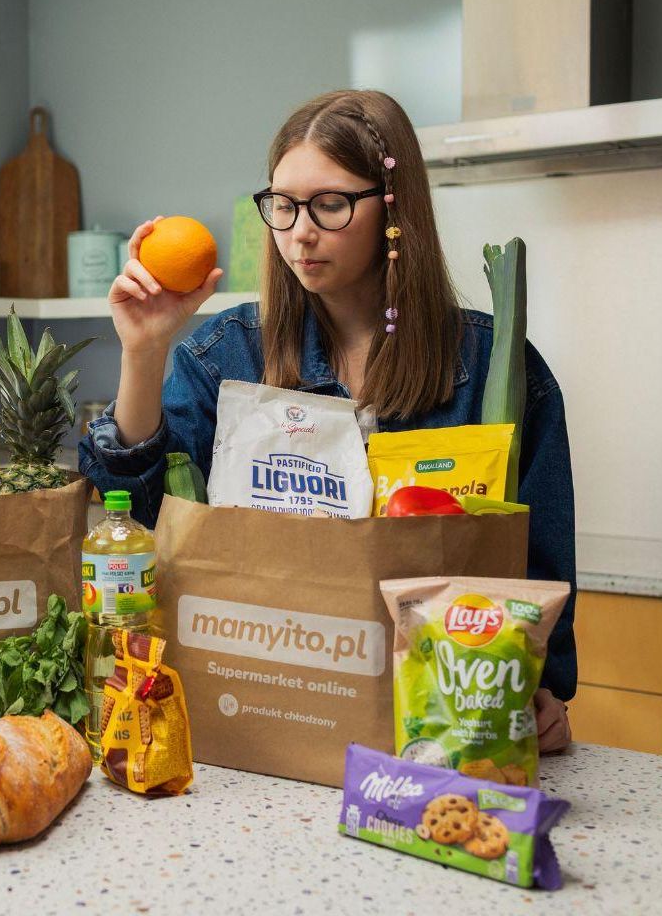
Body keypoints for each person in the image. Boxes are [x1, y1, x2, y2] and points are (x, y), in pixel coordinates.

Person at [78, 89, 575, 751]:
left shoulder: (493, 365)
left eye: (330, 204)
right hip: (265, 706)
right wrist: (143, 351)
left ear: (395, 209)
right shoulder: (227, 353)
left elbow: (538, 563)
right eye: (282, 205)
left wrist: (540, 687)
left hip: (437, 721)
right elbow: (144, 513)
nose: (299, 232)